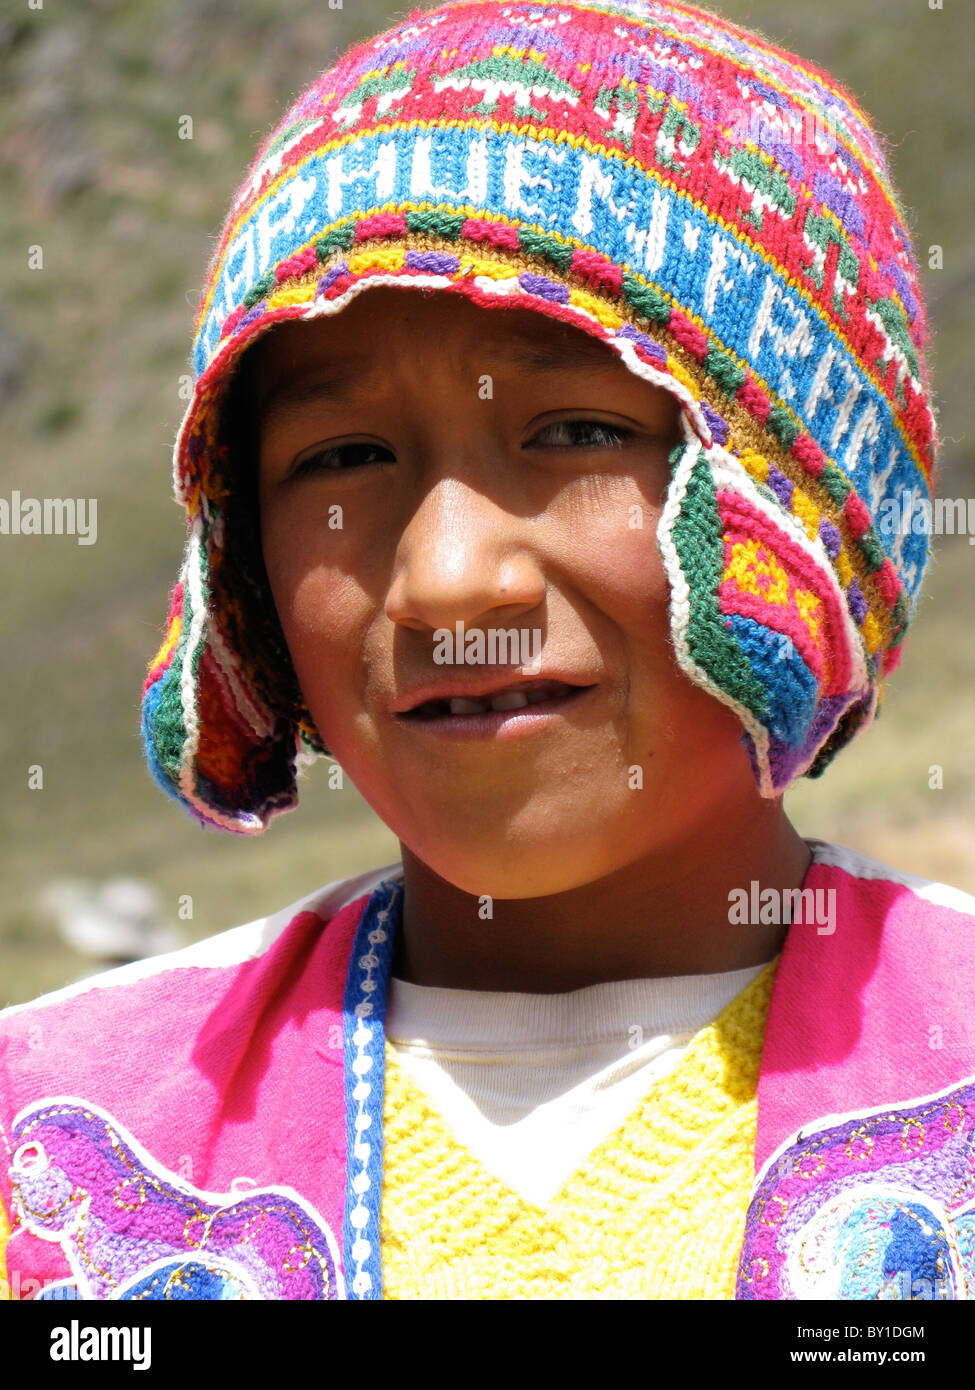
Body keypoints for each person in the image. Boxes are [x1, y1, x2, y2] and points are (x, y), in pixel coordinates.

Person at [2, 0, 973, 1302]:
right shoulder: (50, 1141)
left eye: (573, 431)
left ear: (806, 504)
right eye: (342, 459)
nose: (449, 577)